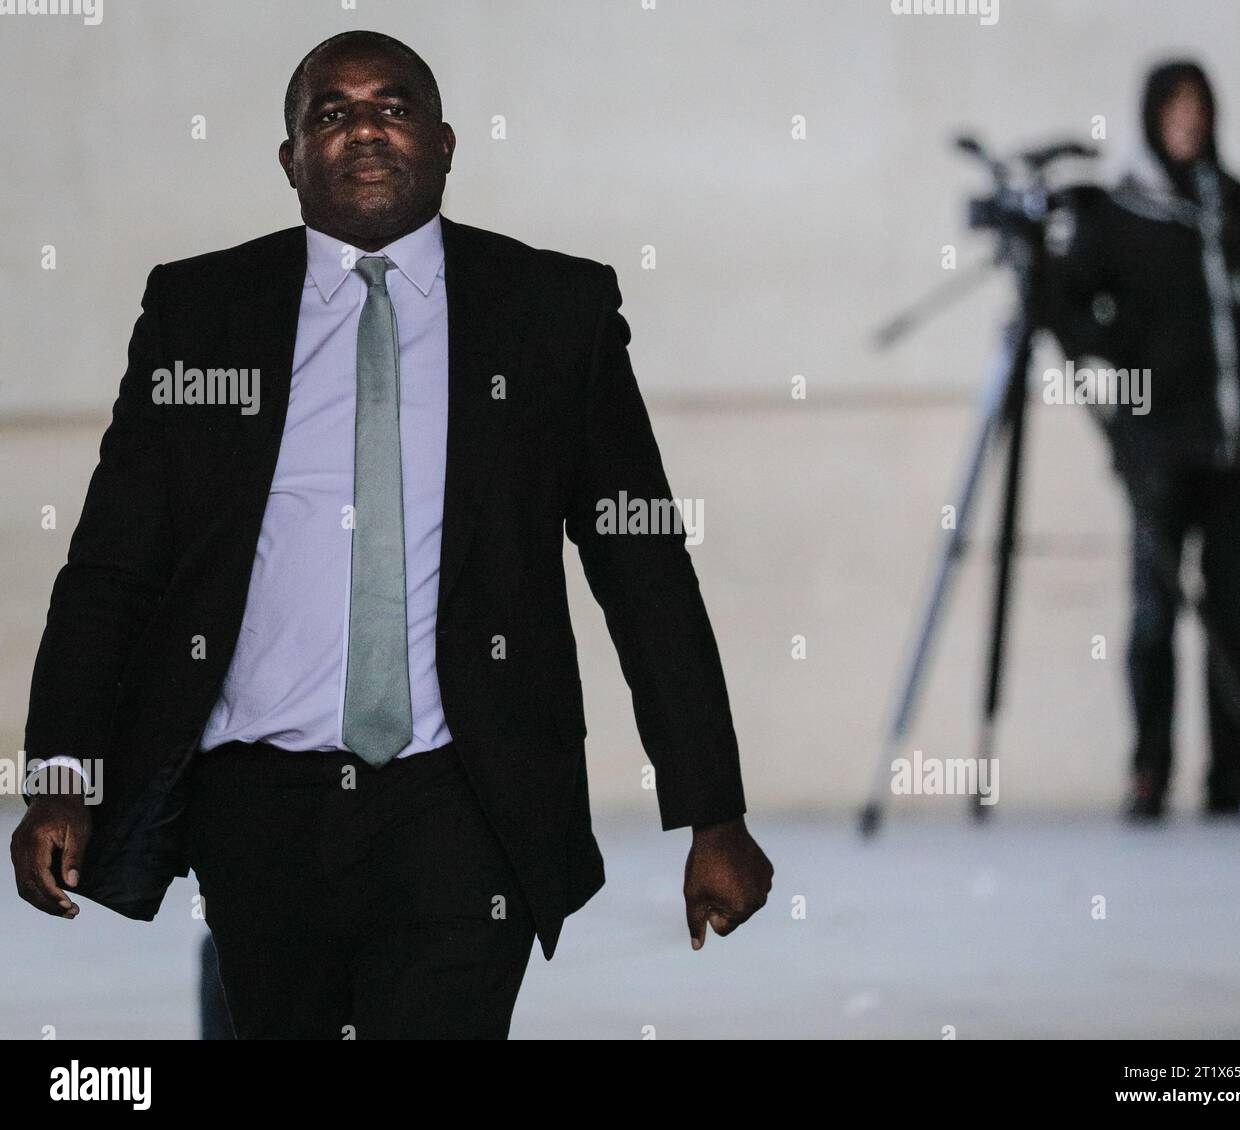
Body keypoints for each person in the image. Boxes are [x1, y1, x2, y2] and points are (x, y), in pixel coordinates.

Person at [12, 29, 773, 1039]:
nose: (365, 127)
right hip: (255, 801)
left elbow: (640, 565)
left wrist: (710, 808)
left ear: (446, 143)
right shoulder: (201, 313)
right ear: (290, 157)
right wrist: (61, 776)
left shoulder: (550, 311)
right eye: (331, 112)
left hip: (464, 795)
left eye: (394, 105)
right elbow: (109, 569)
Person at [1044, 59, 1240, 820]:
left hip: (1233, 450)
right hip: (1156, 450)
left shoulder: (1239, 207)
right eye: (1176, 106)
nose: (1189, 119)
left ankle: (1231, 775)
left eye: (1200, 106)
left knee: (1231, 616)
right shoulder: (1122, 213)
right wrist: (1127, 352)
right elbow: (1062, 302)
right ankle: (1149, 771)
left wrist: (1238, 335)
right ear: (1153, 114)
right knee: (1155, 615)